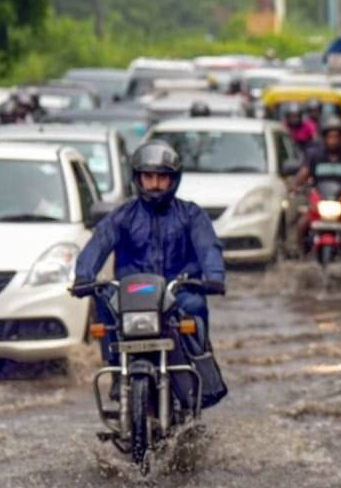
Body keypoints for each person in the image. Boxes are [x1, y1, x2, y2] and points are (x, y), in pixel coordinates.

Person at [71, 142, 226, 396]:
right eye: (149, 177)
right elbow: (97, 244)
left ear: (173, 180)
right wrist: (83, 278)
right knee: (104, 300)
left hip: (177, 290)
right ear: (138, 179)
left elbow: (208, 247)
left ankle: (198, 367)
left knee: (195, 306)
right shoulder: (122, 215)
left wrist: (214, 277)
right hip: (133, 293)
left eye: (162, 177)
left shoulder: (191, 215)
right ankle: (116, 370)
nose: (154, 184)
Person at [288, 116, 341, 266]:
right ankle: (301, 256)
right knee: (300, 225)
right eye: (330, 136)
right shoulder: (315, 156)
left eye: (336, 136)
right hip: (319, 203)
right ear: (324, 137)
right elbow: (304, 173)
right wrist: (294, 186)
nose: (333, 140)